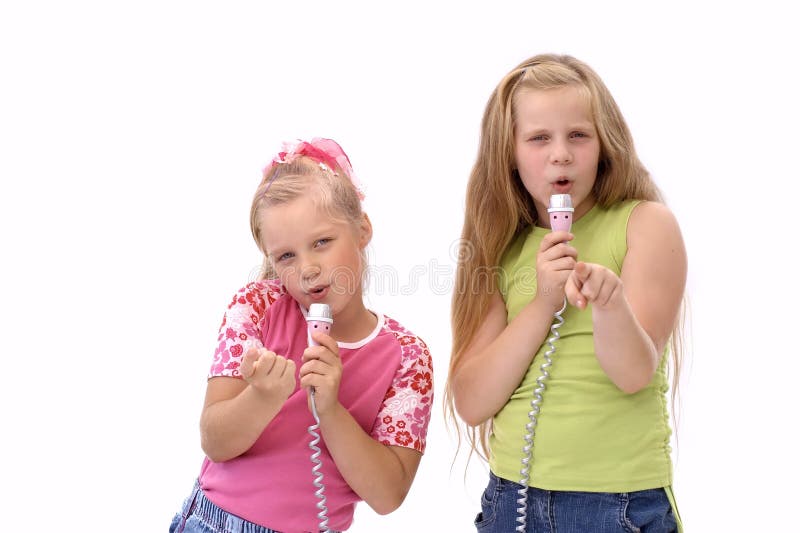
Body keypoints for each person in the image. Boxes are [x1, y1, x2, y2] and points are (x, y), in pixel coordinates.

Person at [445, 54, 686, 532]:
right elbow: (472, 401)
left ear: (604, 144)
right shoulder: (502, 247)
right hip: (510, 502)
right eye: (539, 138)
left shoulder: (644, 225)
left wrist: (611, 304)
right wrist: (542, 304)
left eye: (578, 135)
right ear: (509, 153)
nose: (561, 154)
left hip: (618, 506)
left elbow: (634, 372)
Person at [170, 138, 434, 533]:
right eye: (287, 257)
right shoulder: (255, 307)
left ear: (362, 231)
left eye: (322, 243)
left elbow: (387, 495)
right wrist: (262, 396)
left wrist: (330, 410)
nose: (308, 269)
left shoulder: (408, 357)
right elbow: (215, 441)